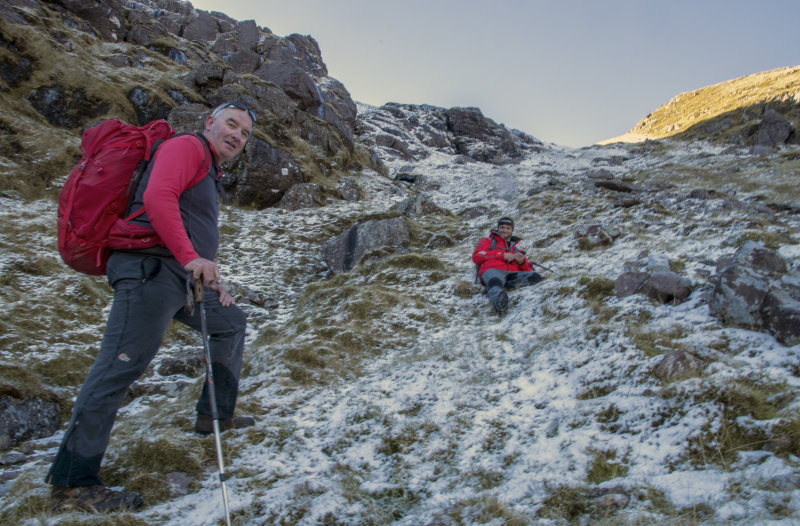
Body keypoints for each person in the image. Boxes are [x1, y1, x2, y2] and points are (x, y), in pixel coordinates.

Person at [46, 102, 257, 513]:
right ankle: (72, 484)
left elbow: (186, 219)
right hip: (151, 271)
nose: (237, 135)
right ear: (209, 122)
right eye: (231, 124)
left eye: (245, 133)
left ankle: (214, 415)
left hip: (180, 275)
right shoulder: (186, 147)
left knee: (229, 321)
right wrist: (189, 257)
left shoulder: (209, 169)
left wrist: (207, 272)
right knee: (119, 366)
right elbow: (159, 196)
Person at [472, 217, 543, 315]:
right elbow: (477, 256)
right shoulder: (487, 241)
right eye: (502, 227)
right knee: (495, 282)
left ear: (512, 230)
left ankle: (505, 285)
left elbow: (528, 269)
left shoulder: (515, 249)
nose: (505, 230)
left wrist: (522, 262)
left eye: (508, 228)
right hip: (492, 270)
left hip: (511, 274)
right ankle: (500, 306)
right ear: (498, 228)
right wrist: (501, 255)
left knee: (535, 277)